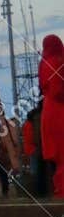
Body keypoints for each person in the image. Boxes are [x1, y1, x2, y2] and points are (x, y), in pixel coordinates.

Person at [38, 34, 64, 198]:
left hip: (48, 111)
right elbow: (58, 91)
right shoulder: (57, 61)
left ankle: (59, 187)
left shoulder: (43, 63)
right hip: (59, 110)